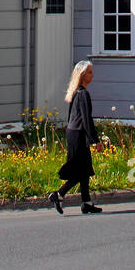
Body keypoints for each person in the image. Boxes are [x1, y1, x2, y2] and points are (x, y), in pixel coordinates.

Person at [48, 60, 102, 215]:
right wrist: (95, 141)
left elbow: (73, 116)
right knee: (81, 170)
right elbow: (86, 119)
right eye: (90, 72)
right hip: (78, 134)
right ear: (83, 75)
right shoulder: (83, 94)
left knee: (84, 169)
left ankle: (86, 203)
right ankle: (58, 194)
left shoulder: (76, 92)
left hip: (73, 132)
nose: (93, 75)